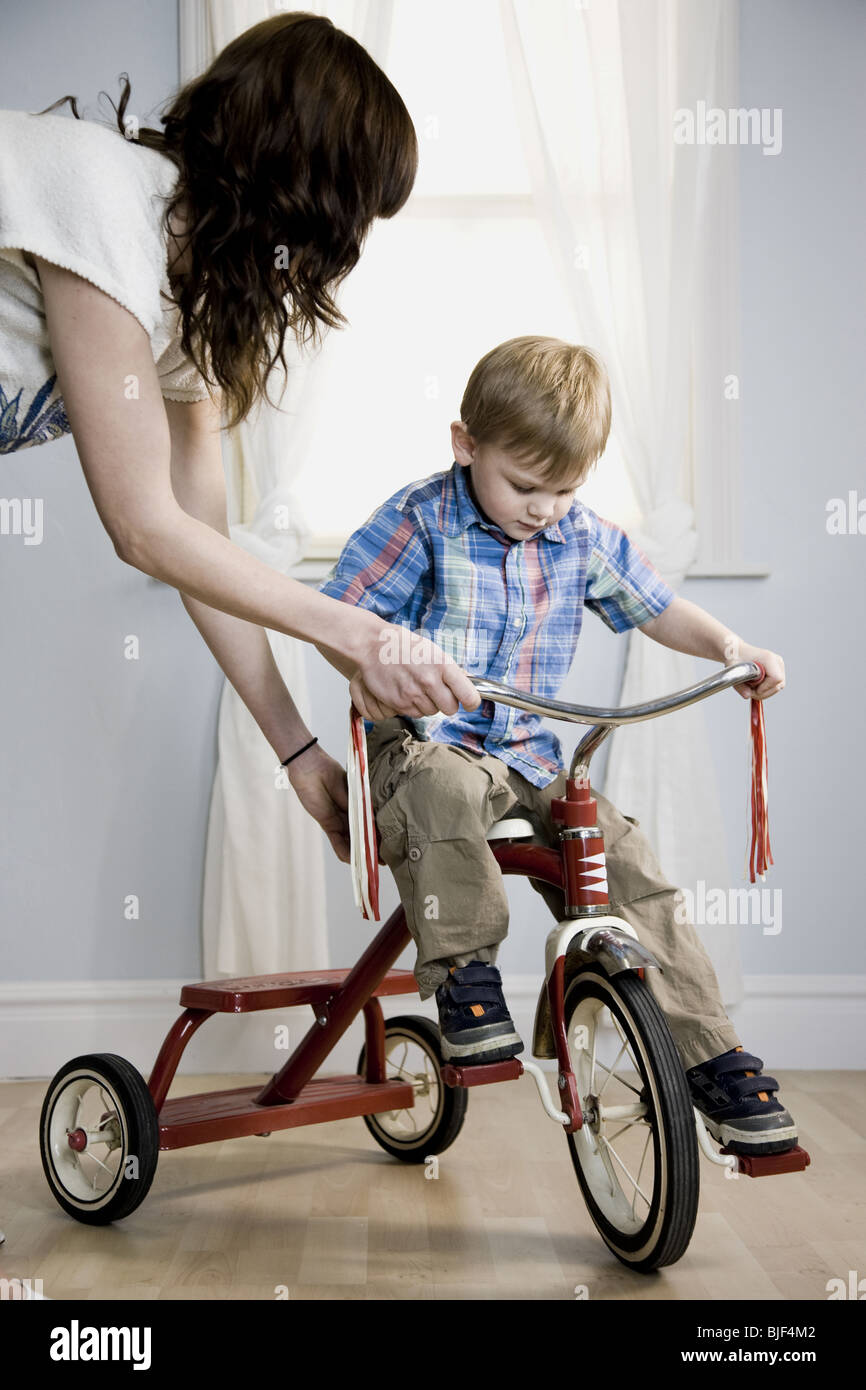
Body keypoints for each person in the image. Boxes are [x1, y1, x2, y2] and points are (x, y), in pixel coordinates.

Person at [0, 11, 480, 866]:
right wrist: (355, 633)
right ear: (299, 180)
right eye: (353, 209)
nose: (350, 242)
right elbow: (141, 526)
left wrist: (296, 750)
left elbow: (197, 544)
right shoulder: (104, 192)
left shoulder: (185, 317)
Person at [319, 334, 797, 1158]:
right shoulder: (420, 519)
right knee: (445, 792)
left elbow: (654, 606)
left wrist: (731, 648)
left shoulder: (581, 536)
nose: (545, 508)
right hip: (423, 745)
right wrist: (377, 660)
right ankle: (467, 978)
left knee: (623, 854)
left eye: (566, 489)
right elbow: (341, 617)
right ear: (466, 445)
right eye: (525, 485)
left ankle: (709, 1054)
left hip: (529, 752)